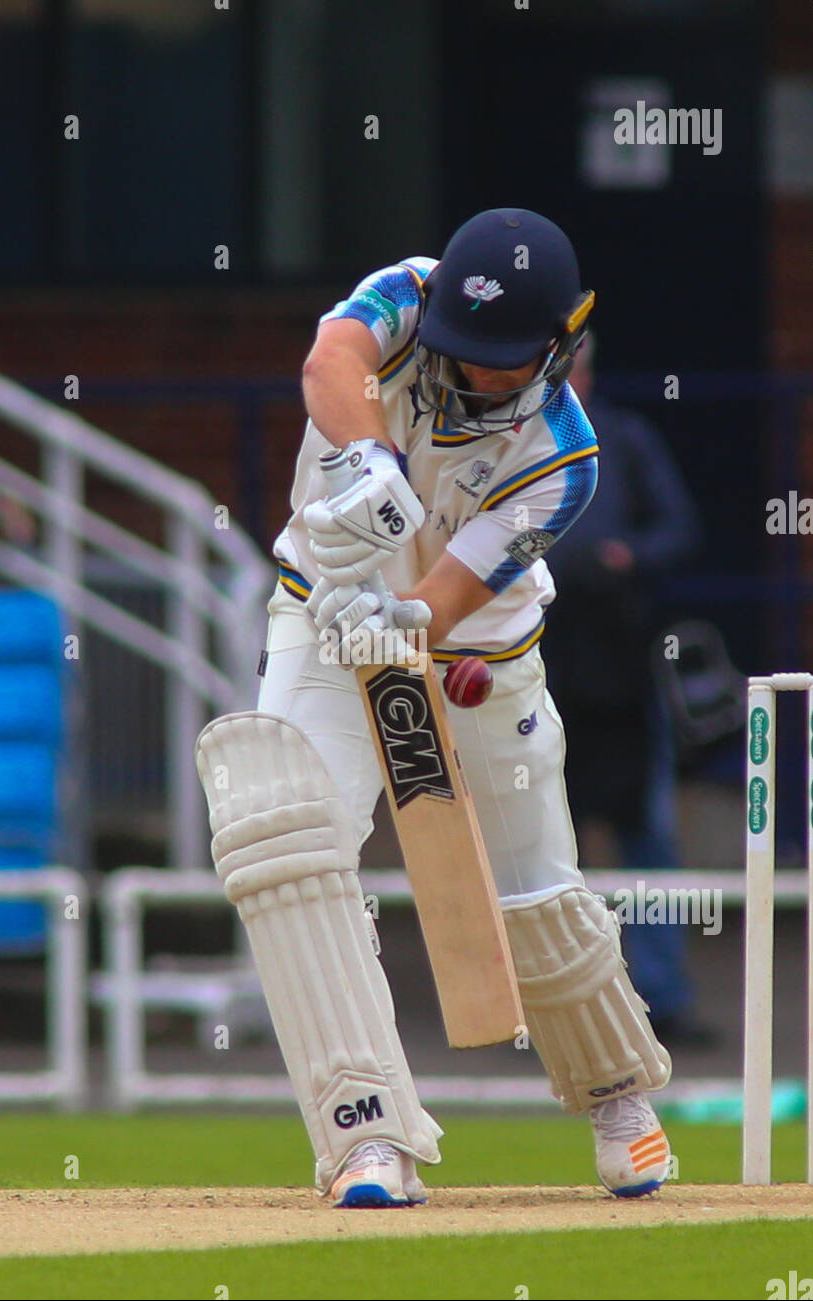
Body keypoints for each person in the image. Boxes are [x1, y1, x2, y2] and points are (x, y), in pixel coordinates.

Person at [197, 209, 672, 1207]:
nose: (474, 372)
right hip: (321, 624)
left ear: (560, 341)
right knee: (280, 843)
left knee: (532, 893)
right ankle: (364, 1133)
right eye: (466, 351)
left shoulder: (564, 459)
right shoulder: (410, 295)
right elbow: (331, 358)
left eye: (503, 360)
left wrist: (404, 608)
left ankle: (616, 1094)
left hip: (474, 654)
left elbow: (451, 593)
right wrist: (373, 466)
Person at [544, 340, 711, 1044]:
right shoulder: (501, 444)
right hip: (538, 675)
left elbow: (679, 531)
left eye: (573, 363)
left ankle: (662, 1001)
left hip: (622, 668)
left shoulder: (628, 438)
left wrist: (625, 557)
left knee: (649, 835)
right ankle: (553, 1013)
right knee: (545, 848)